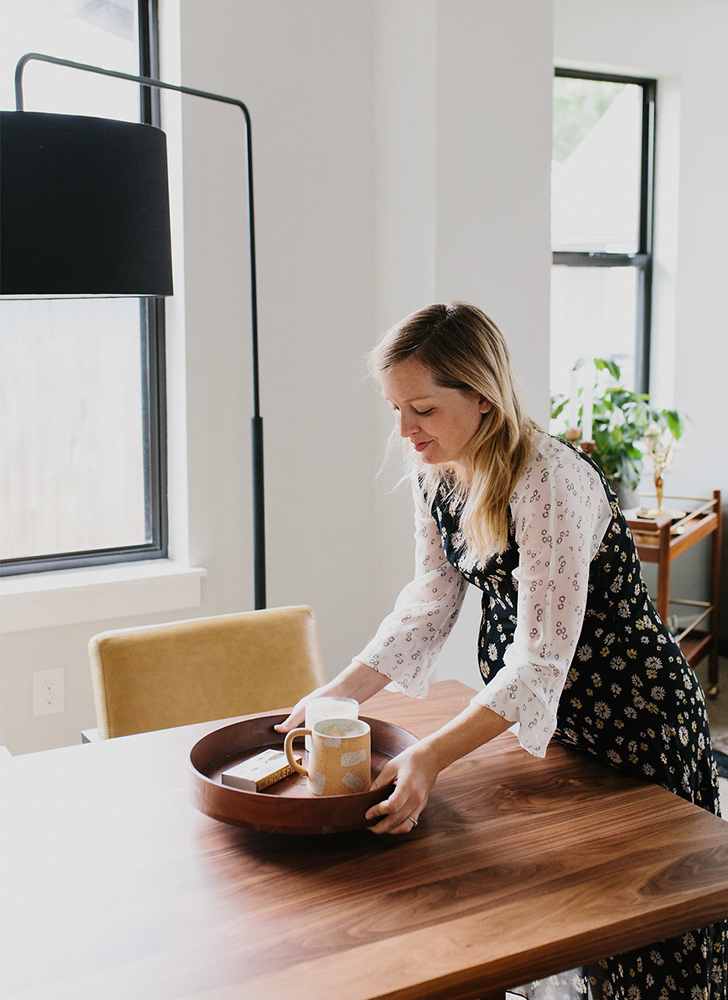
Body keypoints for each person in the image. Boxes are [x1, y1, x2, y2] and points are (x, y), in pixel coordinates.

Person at [276, 302, 725, 999]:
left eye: (421, 408)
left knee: (649, 938)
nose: (405, 430)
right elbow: (430, 599)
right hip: (557, 727)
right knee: (570, 917)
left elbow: (540, 661)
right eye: (395, 408)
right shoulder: (439, 469)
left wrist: (429, 756)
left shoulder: (547, 480)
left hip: (637, 723)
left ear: (481, 396)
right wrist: (338, 694)